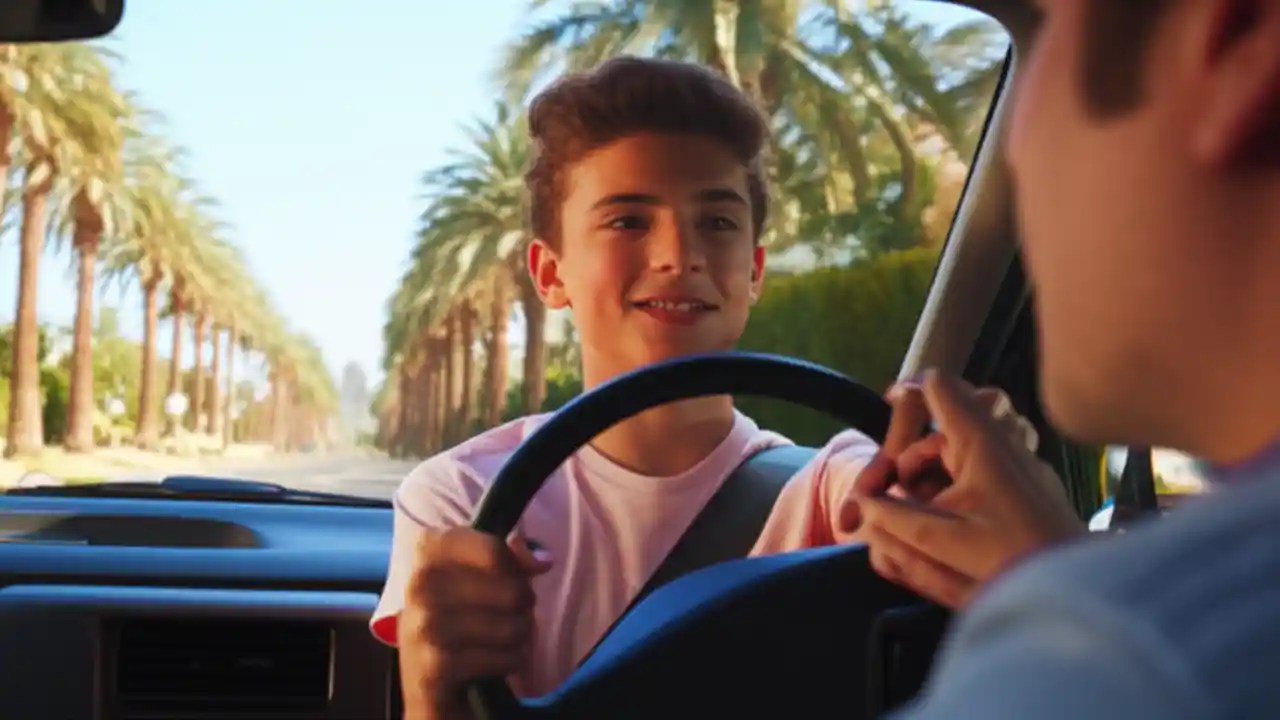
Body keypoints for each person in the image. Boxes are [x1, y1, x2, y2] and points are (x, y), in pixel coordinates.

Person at [833, 1, 1280, 716]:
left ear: (1240, 46)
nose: (1014, 146)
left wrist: (1080, 630)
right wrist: (1050, 575)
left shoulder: (1116, 672)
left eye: (1050, 35)